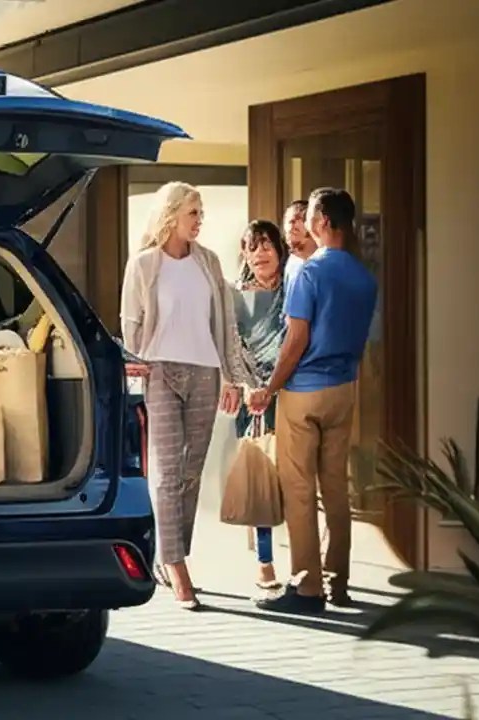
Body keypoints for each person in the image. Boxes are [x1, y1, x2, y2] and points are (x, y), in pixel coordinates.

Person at [120, 181, 257, 611]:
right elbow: (131, 324)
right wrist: (137, 367)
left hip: (205, 372)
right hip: (160, 372)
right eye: (193, 213)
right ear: (172, 214)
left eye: (201, 213)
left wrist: (232, 379)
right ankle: (176, 566)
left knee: (191, 471)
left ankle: (170, 552)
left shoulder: (209, 262)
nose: (200, 221)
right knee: (165, 472)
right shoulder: (144, 264)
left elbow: (226, 325)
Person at [249, 187, 377, 614]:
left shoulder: (309, 272)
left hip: (304, 392)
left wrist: (270, 388)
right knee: (336, 488)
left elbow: (295, 341)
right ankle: (338, 583)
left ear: (322, 222)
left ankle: (307, 588)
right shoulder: (365, 278)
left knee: (300, 490)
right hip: (344, 390)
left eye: (310, 218)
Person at [229, 220, 290, 590]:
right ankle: (265, 563)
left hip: (292, 391)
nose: (260, 254)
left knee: (294, 477)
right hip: (252, 398)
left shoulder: (295, 288)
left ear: (280, 250)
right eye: (253, 247)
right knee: (260, 476)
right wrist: (250, 387)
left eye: (267, 245)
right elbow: (231, 348)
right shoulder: (236, 297)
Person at [282, 199, 315, 295]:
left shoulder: (326, 262)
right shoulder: (292, 262)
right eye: (288, 219)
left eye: (300, 217)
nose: (291, 222)